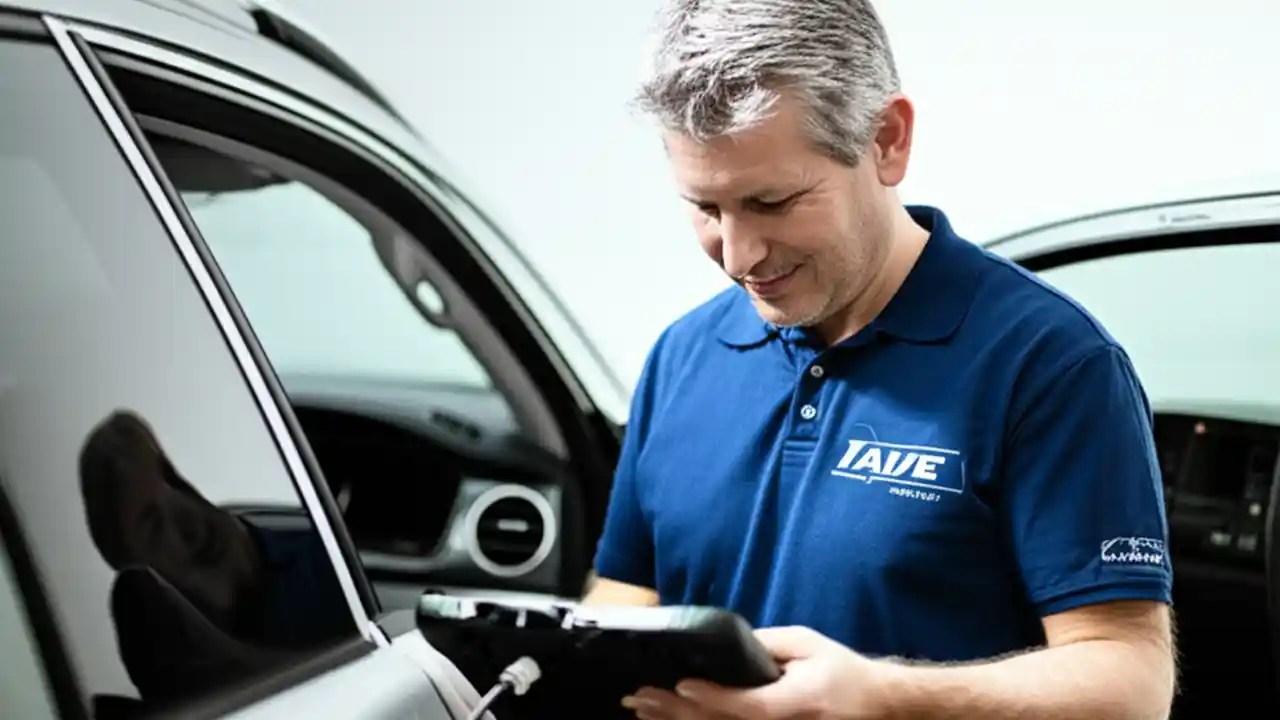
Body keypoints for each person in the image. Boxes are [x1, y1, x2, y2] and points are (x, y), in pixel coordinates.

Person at [582, 1, 1177, 718]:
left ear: (887, 141)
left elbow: (1131, 683)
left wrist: (885, 697)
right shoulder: (683, 354)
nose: (738, 257)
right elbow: (625, 595)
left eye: (772, 201)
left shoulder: (1051, 365)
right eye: (707, 209)